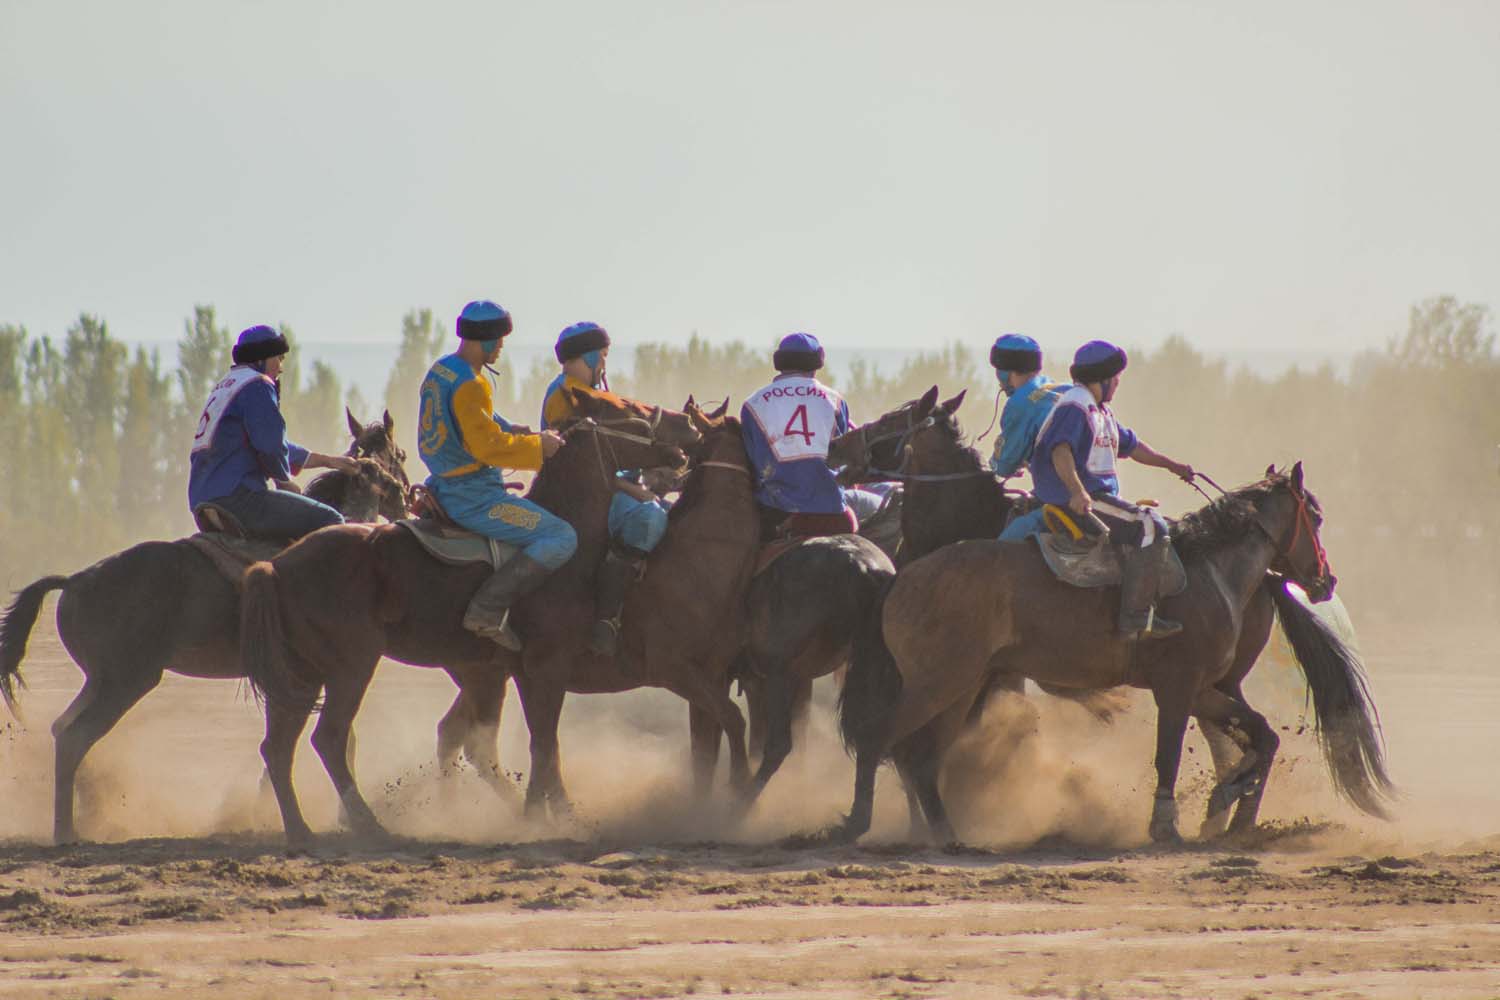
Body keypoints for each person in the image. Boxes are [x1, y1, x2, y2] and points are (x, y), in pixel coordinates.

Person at [417, 300, 572, 651]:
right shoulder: (472, 383)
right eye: (499, 339)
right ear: (485, 339)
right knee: (561, 536)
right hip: (473, 498)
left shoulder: (443, 370)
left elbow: (472, 418)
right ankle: (486, 609)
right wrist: (537, 447)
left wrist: (507, 426)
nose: (502, 346)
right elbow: (486, 446)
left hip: (441, 484)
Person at [1031, 340, 1195, 640]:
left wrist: (1173, 466)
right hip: (1080, 501)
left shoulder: (1100, 411)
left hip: (1097, 498)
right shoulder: (1075, 405)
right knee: (1150, 525)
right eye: (1116, 378)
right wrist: (1078, 492)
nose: (1119, 384)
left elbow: (1134, 448)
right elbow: (1060, 451)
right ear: (1102, 378)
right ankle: (1135, 618)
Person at [539, 321, 669, 657]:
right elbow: (582, 469)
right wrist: (634, 490)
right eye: (604, 356)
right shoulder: (563, 397)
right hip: (583, 498)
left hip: (607, 487)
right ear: (591, 356)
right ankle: (607, 616)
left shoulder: (587, 392)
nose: (605, 364)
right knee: (649, 520)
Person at [188, 324, 359, 540]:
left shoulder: (227, 386)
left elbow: (275, 443)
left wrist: (329, 461)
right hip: (238, 498)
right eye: (278, 358)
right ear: (262, 358)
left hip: (202, 500)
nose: (280, 367)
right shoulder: (257, 384)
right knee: (332, 521)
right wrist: (282, 480)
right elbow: (270, 445)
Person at [740, 332, 883, 539]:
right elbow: (842, 456)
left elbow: (753, 464)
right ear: (817, 362)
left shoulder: (753, 403)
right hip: (832, 512)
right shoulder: (836, 401)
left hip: (776, 512)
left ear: (779, 361)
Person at [986, 333, 1065, 542]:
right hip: (1099, 492)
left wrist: (994, 462)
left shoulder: (1021, 403)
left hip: (1062, 499)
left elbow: (1003, 467)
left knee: (998, 557)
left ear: (1004, 373)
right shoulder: (1059, 388)